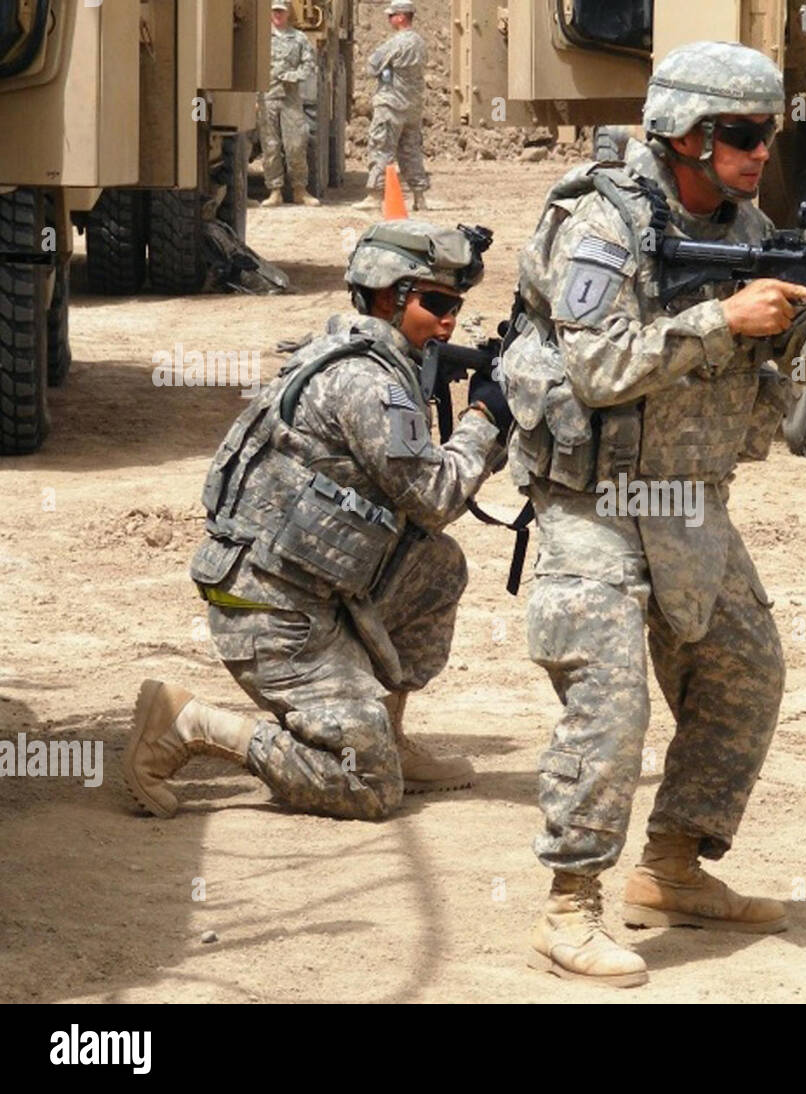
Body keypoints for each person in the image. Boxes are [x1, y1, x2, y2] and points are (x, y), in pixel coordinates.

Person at [503, 40, 806, 987]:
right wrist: (725, 320)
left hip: (687, 500)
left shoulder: (750, 225)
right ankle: (568, 907)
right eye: (742, 135)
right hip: (593, 502)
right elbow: (595, 369)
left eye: (769, 135)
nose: (762, 153)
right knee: (612, 703)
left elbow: (799, 365)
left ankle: (672, 868)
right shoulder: (599, 225)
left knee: (746, 673)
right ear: (683, 135)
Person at [124, 221, 514, 821]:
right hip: (273, 617)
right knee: (367, 787)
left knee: (435, 564)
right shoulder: (367, 382)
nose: (449, 322)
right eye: (436, 303)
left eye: (455, 306)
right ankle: (194, 724)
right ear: (389, 296)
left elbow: (418, 516)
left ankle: (383, 730)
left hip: (306, 593)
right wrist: (486, 416)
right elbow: (435, 495)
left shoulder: (364, 357)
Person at [353, 0, 429, 211]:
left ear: (401, 17)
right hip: (412, 106)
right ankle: (419, 196)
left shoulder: (396, 43)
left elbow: (372, 65)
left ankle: (375, 195)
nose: (388, 19)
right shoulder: (420, 43)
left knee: (381, 148)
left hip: (391, 104)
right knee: (411, 151)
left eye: (391, 15)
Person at [260, 1, 320, 208]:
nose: (278, 15)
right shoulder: (260, 38)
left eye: (281, 11)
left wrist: (293, 76)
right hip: (267, 98)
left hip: (290, 98)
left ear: (287, 14)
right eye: (275, 11)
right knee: (270, 146)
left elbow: (309, 65)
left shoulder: (299, 38)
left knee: (296, 144)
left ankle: (299, 190)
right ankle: (275, 191)